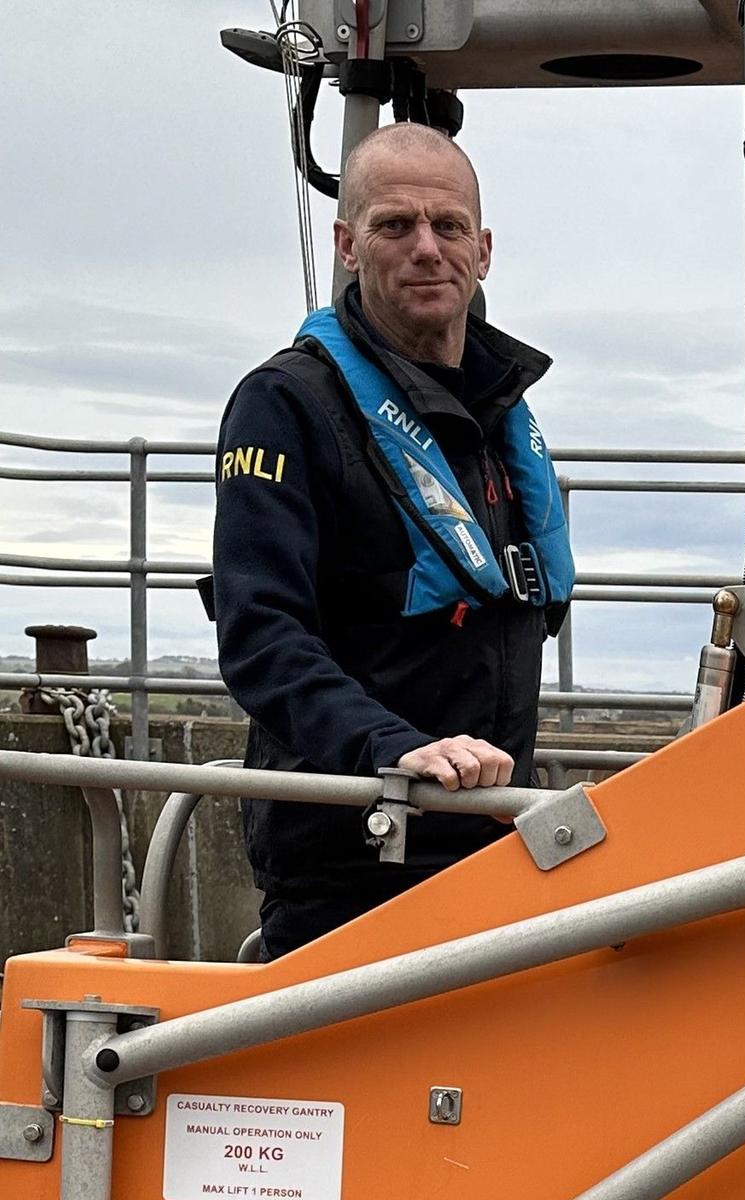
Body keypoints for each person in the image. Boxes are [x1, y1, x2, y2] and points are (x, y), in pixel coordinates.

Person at [211, 122, 572, 958]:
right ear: (346, 244)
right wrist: (396, 750)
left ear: (482, 252)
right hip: (352, 863)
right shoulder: (285, 405)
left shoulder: (497, 413)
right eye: (393, 225)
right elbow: (261, 636)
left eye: (447, 227)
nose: (425, 249)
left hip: (490, 849)